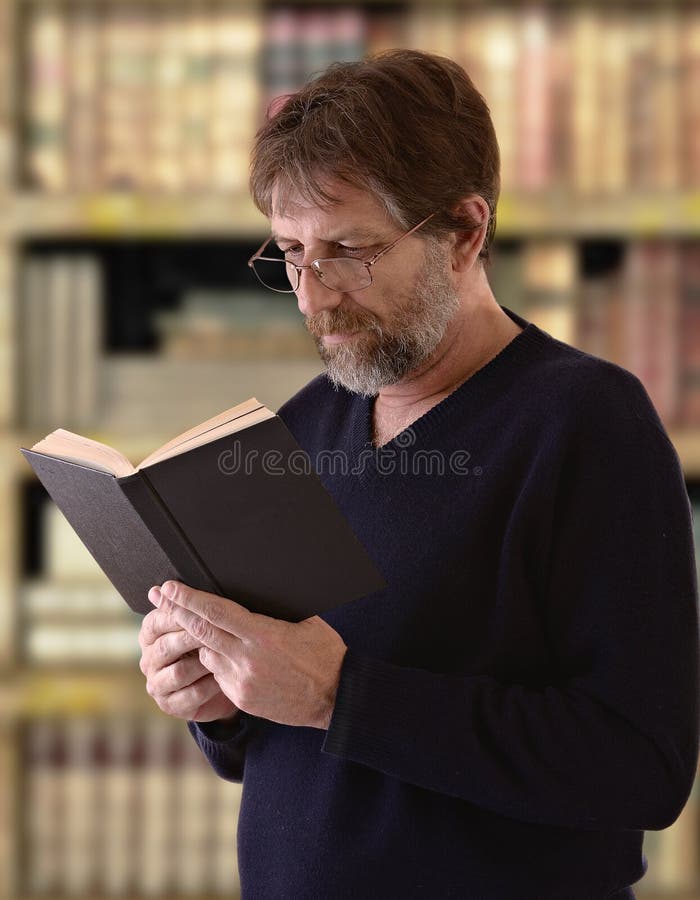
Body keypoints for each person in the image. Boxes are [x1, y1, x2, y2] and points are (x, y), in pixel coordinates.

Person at [138, 50, 699, 899]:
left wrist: (340, 695)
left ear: (465, 233)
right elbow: (287, 749)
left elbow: (642, 767)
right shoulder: (303, 424)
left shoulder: (587, 424)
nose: (311, 297)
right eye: (290, 252)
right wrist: (218, 702)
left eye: (348, 251)